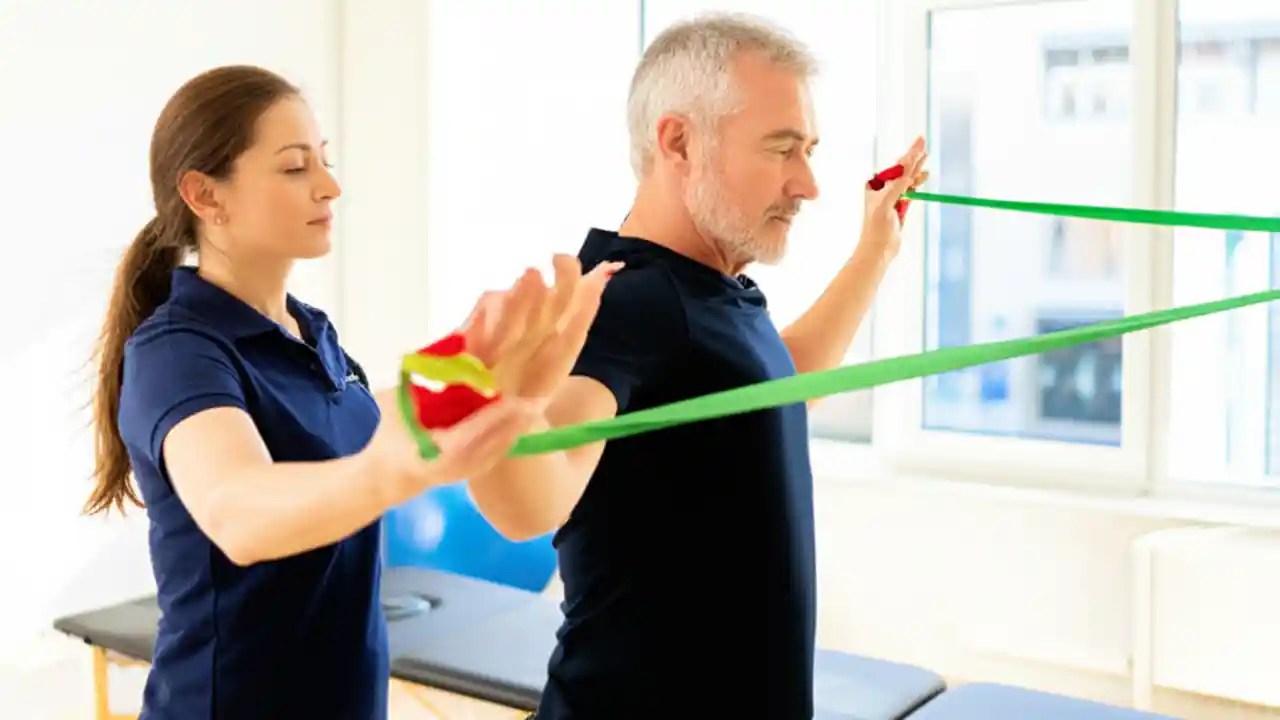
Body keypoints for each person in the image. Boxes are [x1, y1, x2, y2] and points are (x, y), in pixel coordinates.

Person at [85, 64, 614, 720]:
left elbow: (380, 419)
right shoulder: (178, 351)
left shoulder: (313, 336)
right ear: (205, 195)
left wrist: (498, 380)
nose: (330, 186)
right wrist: (391, 471)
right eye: (294, 167)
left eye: (325, 161)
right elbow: (237, 511)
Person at [461, 13, 929, 719]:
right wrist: (494, 401)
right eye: (782, 149)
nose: (807, 184)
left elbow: (781, 386)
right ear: (678, 141)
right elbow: (529, 503)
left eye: (809, 150)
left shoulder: (711, 294)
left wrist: (875, 252)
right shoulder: (627, 302)